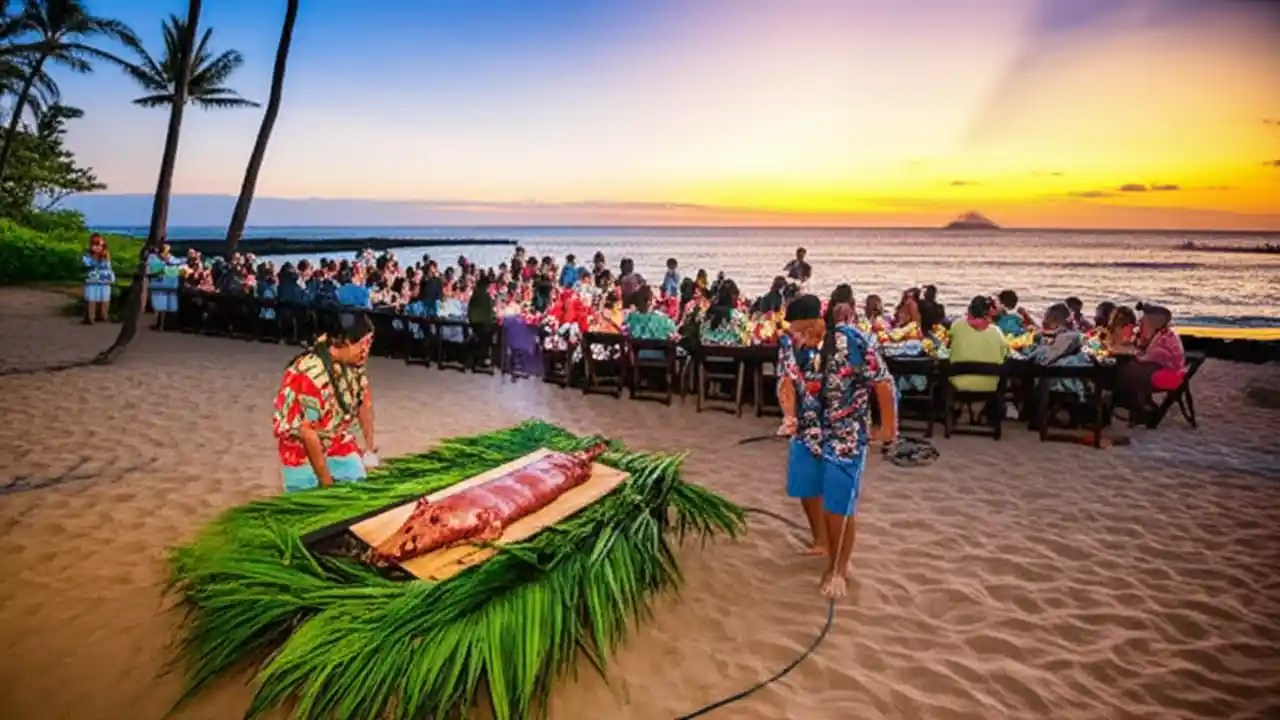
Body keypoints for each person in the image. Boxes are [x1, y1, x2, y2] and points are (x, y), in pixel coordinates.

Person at [777, 294, 896, 599]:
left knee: (838, 503)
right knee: (805, 488)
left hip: (846, 433)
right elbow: (786, 382)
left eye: (802, 329)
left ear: (818, 322)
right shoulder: (790, 345)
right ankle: (821, 542)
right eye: (794, 330)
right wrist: (789, 416)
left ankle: (839, 568)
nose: (796, 336)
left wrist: (887, 428)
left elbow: (883, 382)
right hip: (807, 429)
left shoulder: (851, 342)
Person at [272, 312, 377, 493]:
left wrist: (370, 448)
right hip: (300, 449)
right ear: (344, 343)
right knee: (310, 505)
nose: (367, 350)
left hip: (336, 439)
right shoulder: (309, 374)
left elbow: (363, 402)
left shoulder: (355, 364)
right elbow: (307, 433)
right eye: (363, 344)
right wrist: (326, 483)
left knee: (358, 493)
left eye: (370, 342)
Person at [1117, 305, 1185, 424]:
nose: (1141, 323)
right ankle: (1140, 403)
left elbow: (1147, 358)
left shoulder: (1162, 340)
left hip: (1170, 377)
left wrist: (1134, 352)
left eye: (1144, 321)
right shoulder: (1166, 334)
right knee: (1133, 368)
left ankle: (1137, 408)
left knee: (1127, 370)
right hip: (1174, 372)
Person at [948, 296, 1009, 393]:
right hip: (990, 387)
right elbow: (1004, 356)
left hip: (959, 386)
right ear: (988, 312)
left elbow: (948, 348)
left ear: (969, 310)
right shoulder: (997, 331)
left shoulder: (957, 325)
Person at [699, 279, 748, 346]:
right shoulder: (737, 315)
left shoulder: (706, 312)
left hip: (707, 352)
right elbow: (746, 336)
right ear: (733, 297)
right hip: (732, 352)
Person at [146, 243, 183, 330]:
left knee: (163, 307)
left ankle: (162, 325)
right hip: (160, 285)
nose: (166, 254)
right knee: (159, 307)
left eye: (167, 252)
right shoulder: (155, 260)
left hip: (168, 286)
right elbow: (150, 272)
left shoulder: (173, 260)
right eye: (164, 252)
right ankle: (159, 324)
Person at [81, 233, 114, 325]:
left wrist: (102, 256)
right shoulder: (87, 254)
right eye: (96, 244)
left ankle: (103, 315)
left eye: (100, 244)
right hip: (93, 278)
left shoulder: (105, 253)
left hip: (104, 278)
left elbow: (107, 265)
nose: (98, 246)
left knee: (104, 296)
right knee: (91, 296)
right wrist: (94, 257)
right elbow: (86, 264)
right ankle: (90, 317)